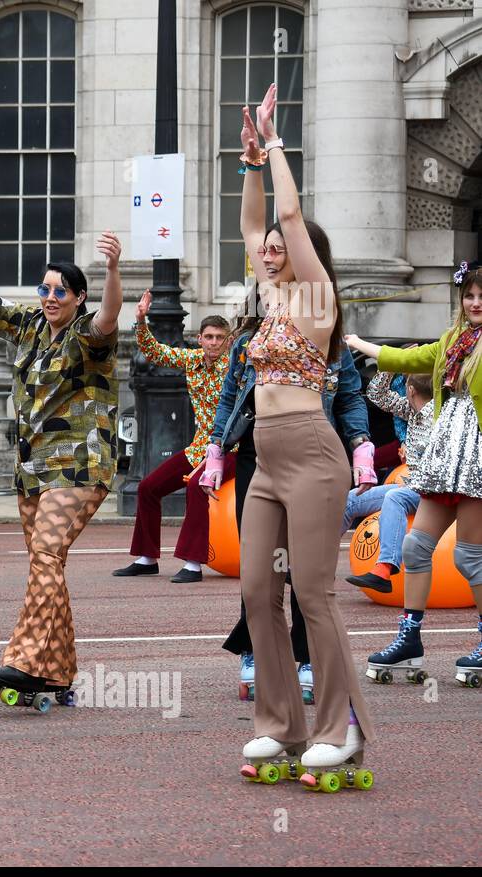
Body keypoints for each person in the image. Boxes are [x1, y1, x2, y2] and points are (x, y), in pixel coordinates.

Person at [0, 207, 123, 709]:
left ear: (78, 298)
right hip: (32, 468)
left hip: (79, 464)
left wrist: (114, 270)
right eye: (45, 289)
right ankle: (57, 672)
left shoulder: (88, 337)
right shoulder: (29, 326)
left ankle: (27, 660)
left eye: (61, 292)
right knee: (45, 562)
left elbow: (111, 315)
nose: (51, 297)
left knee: (47, 554)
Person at [230, 84, 373, 788]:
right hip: (266, 457)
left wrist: (277, 141)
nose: (273, 247)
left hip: (314, 454)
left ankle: (339, 729)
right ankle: (279, 726)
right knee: (259, 590)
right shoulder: (268, 296)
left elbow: (285, 212)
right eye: (272, 249)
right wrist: (249, 161)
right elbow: (256, 222)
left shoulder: (316, 302)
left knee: (314, 594)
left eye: (288, 245)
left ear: (309, 253)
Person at [203, 287, 373, 703]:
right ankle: (255, 649)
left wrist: (361, 445)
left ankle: (308, 655)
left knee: (305, 565)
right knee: (260, 564)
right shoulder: (248, 343)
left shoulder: (329, 341)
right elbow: (230, 397)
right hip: (256, 455)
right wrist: (215, 449)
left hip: (312, 452)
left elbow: (349, 397)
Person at [346, 259, 482, 689]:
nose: (476, 302)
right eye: (470, 295)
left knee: (468, 557)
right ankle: (409, 638)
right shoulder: (452, 342)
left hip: (477, 459)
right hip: (445, 458)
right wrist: (360, 343)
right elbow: (410, 357)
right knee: (415, 546)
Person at [113, 295, 231, 584]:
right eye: (209, 337)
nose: (214, 342)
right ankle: (146, 558)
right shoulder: (191, 360)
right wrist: (140, 320)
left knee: (195, 487)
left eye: (220, 337)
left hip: (231, 449)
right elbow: (155, 352)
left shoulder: (236, 367)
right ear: (199, 339)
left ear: (228, 341)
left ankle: (193, 564)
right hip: (198, 449)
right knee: (148, 487)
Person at [341, 371, 432, 593]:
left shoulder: (443, 415)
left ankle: (384, 568)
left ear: (410, 390)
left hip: (435, 493)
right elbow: (376, 394)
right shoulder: (411, 409)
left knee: (395, 497)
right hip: (414, 485)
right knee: (351, 499)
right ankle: (315, 564)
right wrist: (390, 366)